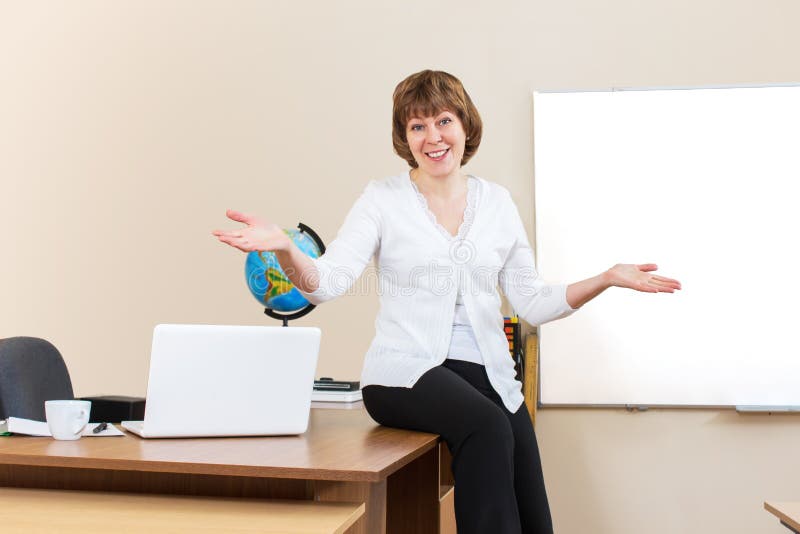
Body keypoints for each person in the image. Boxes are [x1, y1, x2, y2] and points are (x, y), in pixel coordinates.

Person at [213, 70, 681, 534]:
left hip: (487, 373)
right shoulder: (382, 199)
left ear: (464, 126)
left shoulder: (497, 203)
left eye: (442, 121)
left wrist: (605, 278)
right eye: (417, 127)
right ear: (405, 137)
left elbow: (533, 302)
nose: (432, 137)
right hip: (404, 371)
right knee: (487, 427)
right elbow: (326, 282)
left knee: (529, 495)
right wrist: (285, 248)